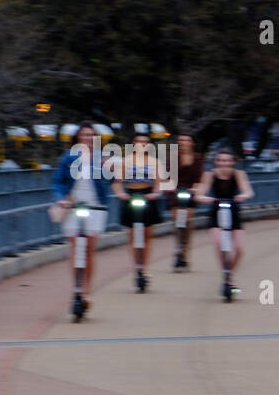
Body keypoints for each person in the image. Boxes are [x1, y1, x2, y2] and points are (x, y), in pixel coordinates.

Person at [51, 122, 111, 313]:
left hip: (96, 206)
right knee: (76, 246)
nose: (88, 138)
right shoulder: (68, 157)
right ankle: (76, 289)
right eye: (85, 135)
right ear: (78, 138)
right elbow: (58, 182)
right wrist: (61, 200)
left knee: (90, 250)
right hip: (73, 205)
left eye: (92, 135)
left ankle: (86, 289)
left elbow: (109, 181)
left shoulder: (101, 158)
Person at [193, 147, 254, 297]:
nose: (224, 163)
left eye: (227, 160)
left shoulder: (239, 174)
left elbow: (248, 190)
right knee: (219, 244)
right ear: (216, 162)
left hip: (233, 210)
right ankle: (226, 275)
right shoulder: (209, 174)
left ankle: (229, 274)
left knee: (239, 248)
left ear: (233, 162)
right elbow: (201, 191)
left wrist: (244, 196)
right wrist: (203, 197)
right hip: (216, 210)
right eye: (221, 160)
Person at [112, 129, 165, 290]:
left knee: (148, 235)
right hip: (131, 195)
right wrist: (120, 193)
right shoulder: (125, 162)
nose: (142, 145)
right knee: (132, 235)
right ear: (133, 144)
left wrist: (156, 193)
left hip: (147, 195)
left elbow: (159, 182)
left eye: (146, 142)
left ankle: (145, 268)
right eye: (139, 142)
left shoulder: (155, 162)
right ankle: (137, 268)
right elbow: (117, 182)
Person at [171, 132, 204, 270]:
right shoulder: (172, 157)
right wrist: (170, 188)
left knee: (188, 223)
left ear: (192, 143)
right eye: (181, 140)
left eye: (186, 140)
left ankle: (185, 253)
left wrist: (196, 189)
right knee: (178, 223)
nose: (183, 143)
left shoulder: (197, 158)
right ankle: (178, 250)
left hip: (190, 193)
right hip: (175, 193)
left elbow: (199, 178)